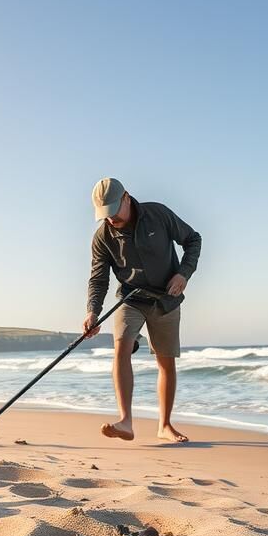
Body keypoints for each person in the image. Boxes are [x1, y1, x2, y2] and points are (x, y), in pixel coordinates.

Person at [82, 177, 202, 443]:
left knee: (165, 361)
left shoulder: (158, 214)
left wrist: (183, 274)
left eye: (113, 210)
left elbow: (193, 240)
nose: (110, 218)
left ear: (126, 197)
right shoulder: (103, 236)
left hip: (166, 299)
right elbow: (98, 278)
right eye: (105, 214)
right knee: (121, 347)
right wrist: (93, 311)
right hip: (131, 298)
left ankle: (165, 426)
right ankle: (125, 422)